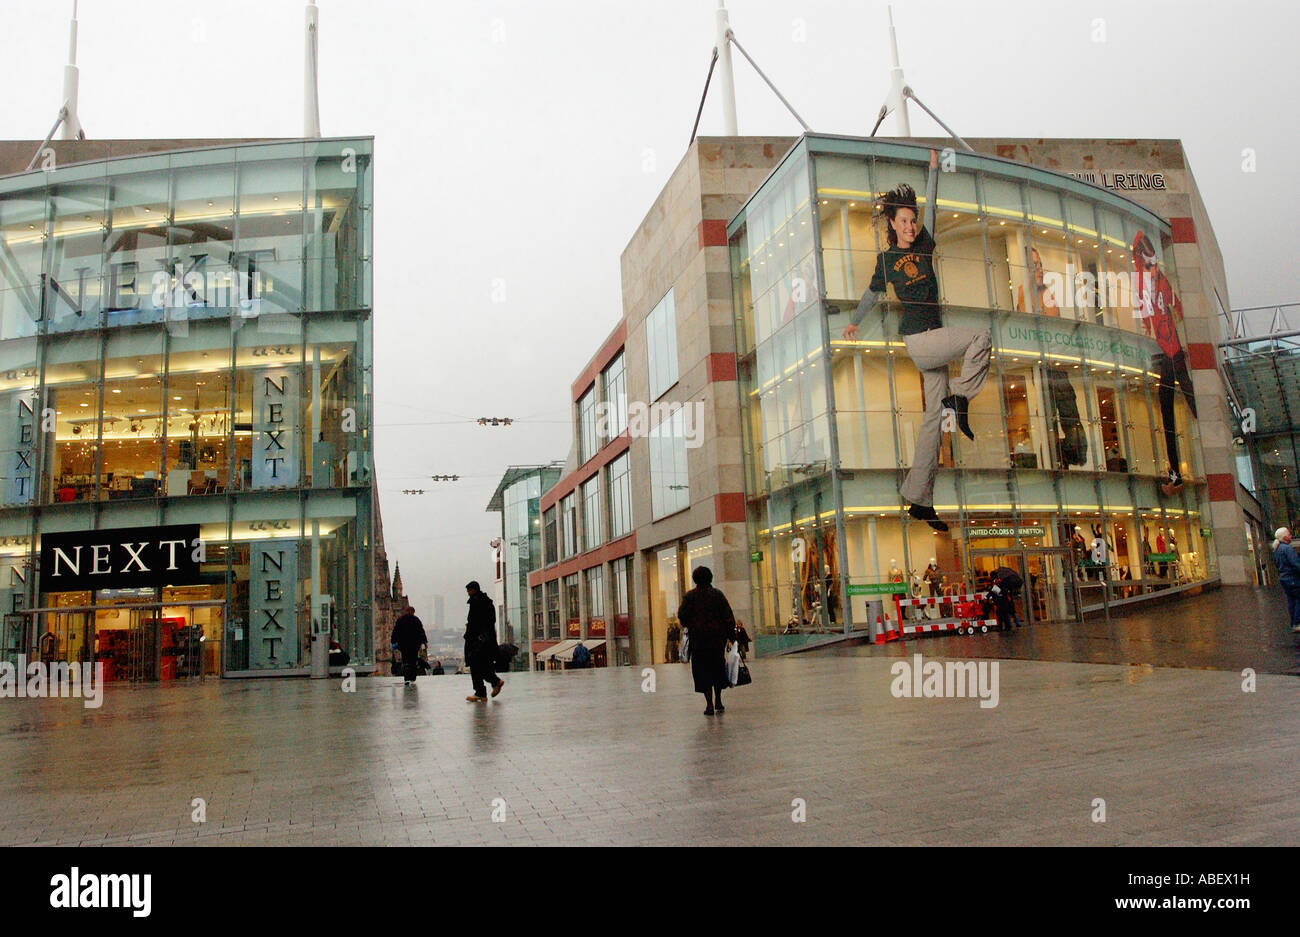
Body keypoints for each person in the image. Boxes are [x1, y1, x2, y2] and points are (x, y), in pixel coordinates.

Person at [839, 148, 991, 532]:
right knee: (980, 336)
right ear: (892, 221)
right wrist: (855, 322)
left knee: (932, 421)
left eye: (913, 221)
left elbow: (934, 204)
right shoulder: (888, 260)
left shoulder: (924, 244)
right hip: (921, 341)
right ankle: (959, 394)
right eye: (903, 221)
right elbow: (872, 295)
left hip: (931, 343)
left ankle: (919, 498)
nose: (910, 226)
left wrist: (933, 170)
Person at [1132, 230, 1197, 497]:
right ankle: (1176, 476)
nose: (1154, 267)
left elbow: (1176, 310)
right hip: (1167, 352)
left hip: (1171, 351)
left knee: (1172, 407)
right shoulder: (1141, 283)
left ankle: (1176, 476)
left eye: (1155, 261)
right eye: (1149, 263)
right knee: (1170, 407)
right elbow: (1147, 322)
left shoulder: (1153, 281)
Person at [1017, 247, 1087, 467]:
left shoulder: (1046, 292)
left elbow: (1052, 328)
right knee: (1049, 416)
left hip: (1054, 365)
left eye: (1040, 265)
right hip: (1042, 367)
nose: (1039, 270)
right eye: (1033, 265)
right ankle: (1054, 459)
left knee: (1066, 414)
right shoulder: (1024, 292)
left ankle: (1063, 456)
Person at [675, 566, 737, 715]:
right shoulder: (717, 595)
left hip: (699, 641)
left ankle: (709, 703)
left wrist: (691, 625)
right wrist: (732, 636)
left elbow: (682, 616)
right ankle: (718, 700)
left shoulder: (690, 597)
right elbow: (728, 616)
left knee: (702, 671)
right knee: (717, 668)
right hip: (717, 640)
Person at [463, 580, 504, 702]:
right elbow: (491, 620)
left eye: (469, 591)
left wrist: (472, 634)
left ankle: (484, 689)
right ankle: (491, 684)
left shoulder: (476, 602)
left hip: (478, 640)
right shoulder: (486, 601)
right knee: (481, 664)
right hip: (486, 640)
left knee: (476, 665)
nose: (468, 593)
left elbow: (474, 622)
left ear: (473, 590)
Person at [390, 605, 427, 689]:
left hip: (404, 645)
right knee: (413, 662)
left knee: (406, 661)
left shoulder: (400, 620)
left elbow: (395, 631)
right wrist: (424, 642)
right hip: (414, 645)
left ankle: (407, 678)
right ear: (413, 612)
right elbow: (421, 632)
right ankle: (412, 677)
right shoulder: (416, 620)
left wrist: (393, 641)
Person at [1271, 528, 1300, 634]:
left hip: (1284, 579)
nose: (1291, 536)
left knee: (1291, 600)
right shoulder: (1287, 549)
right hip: (1292, 578)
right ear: (1284, 537)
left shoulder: (1277, 549)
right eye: (1289, 534)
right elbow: (1295, 564)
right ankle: (1297, 622)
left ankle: (1294, 623)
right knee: (1298, 599)